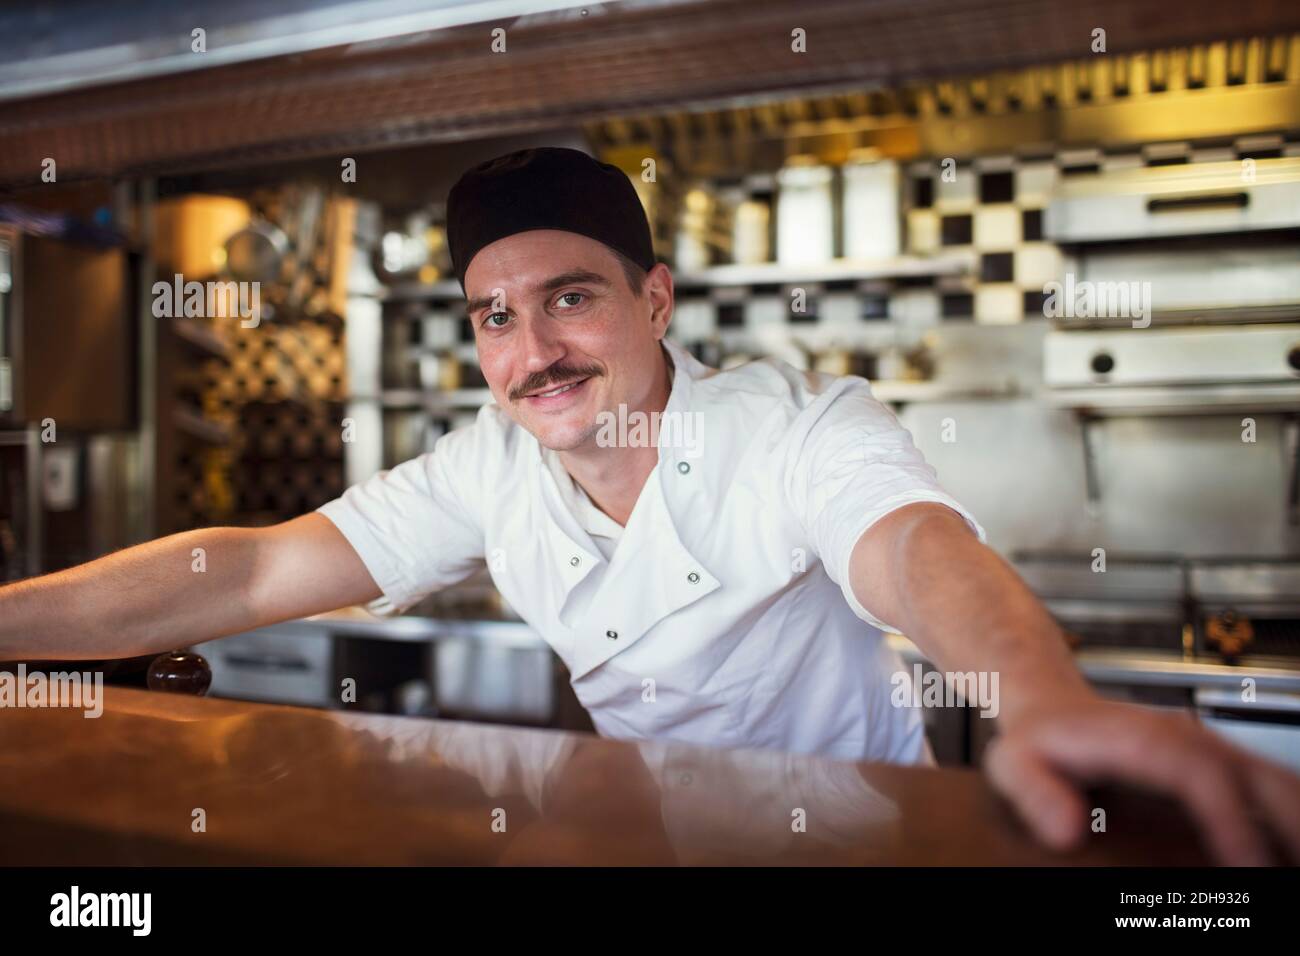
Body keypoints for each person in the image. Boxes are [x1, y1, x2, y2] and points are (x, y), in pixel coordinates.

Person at [3, 147, 1297, 865]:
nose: (533, 353)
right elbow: (242, 573)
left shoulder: (788, 427)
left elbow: (914, 551)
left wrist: (1045, 700)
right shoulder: (488, 467)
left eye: (570, 297)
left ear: (655, 300)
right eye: (495, 319)